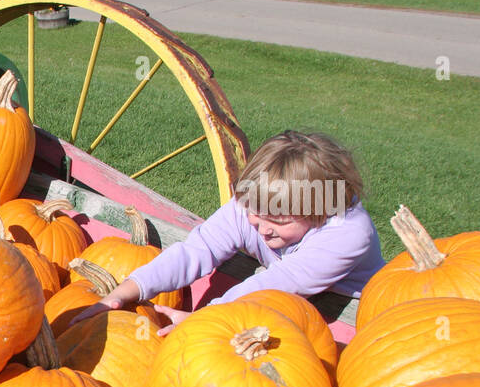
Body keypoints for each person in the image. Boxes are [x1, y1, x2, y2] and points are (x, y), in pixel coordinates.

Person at [71, 131, 384, 334]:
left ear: (319, 210)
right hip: (278, 312)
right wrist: (128, 289)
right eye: (253, 212)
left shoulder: (348, 233)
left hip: (353, 326)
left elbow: (275, 284)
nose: (260, 226)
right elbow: (196, 251)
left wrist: (204, 320)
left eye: (278, 220)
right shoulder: (253, 206)